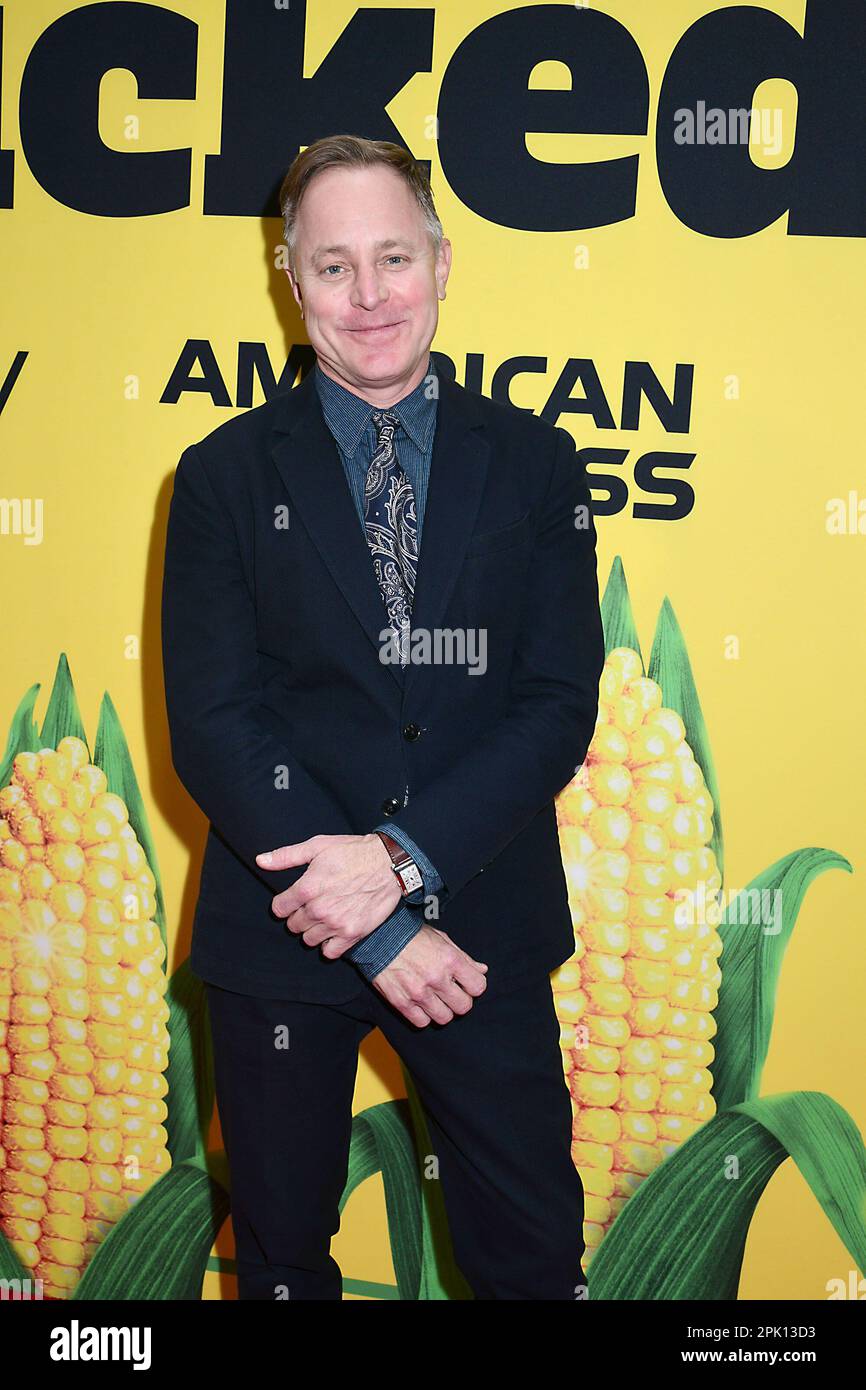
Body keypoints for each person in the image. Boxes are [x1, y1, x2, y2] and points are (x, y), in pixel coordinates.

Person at [160, 133, 605, 1300]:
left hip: (480, 931)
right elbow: (216, 719)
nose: (368, 298)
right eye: (332, 266)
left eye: (393, 258)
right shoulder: (217, 476)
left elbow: (556, 703)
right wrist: (376, 925)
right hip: (282, 932)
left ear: (443, 263)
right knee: (282, 1266)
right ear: (287, 278)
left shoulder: (538, 464)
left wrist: (403, 863)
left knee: (530, 1262)